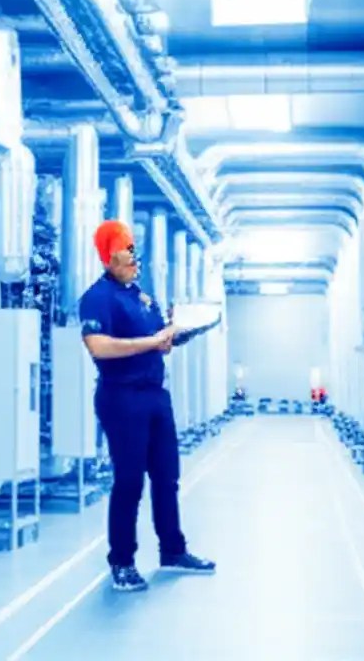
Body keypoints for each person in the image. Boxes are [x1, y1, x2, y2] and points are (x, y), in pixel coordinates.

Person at [78, 219, 217, 592]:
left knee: (167, 477)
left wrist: (173, 336)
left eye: (134, 252)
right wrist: (151, 342)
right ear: (109, 257)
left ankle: (173, 550)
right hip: (121, 396)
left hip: (155, 394)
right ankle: (122, 562)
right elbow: (99, 346)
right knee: (129, 481)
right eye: (126, 253)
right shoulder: (97, 298)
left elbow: (159, 341)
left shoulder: (142, 297)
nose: (134, 260)